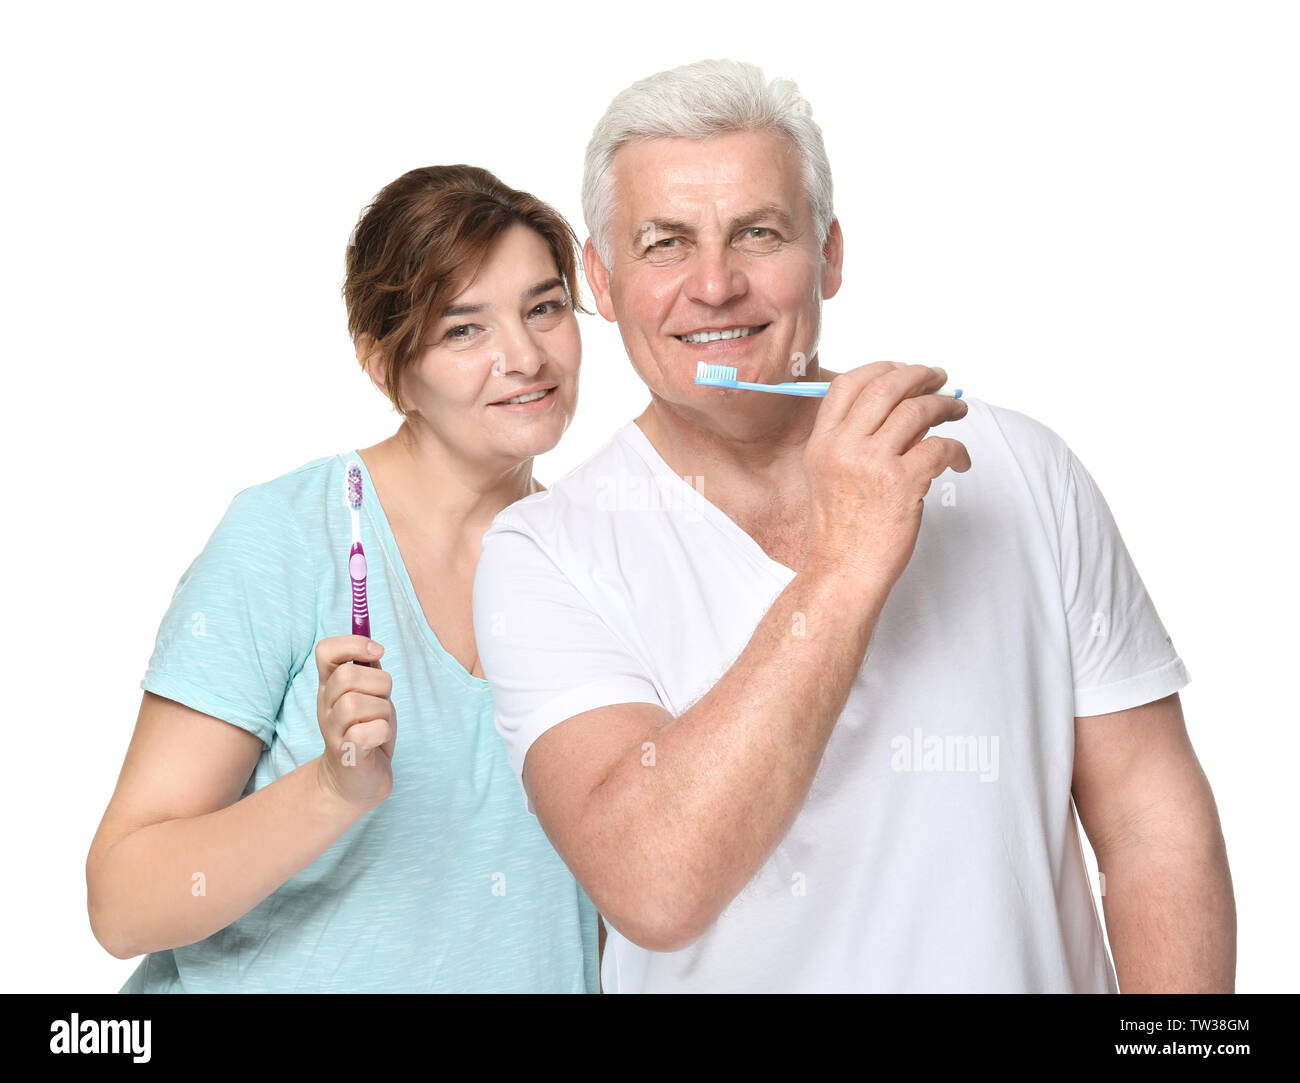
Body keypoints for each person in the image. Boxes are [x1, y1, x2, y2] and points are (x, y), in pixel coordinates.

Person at [471, 60, 1236, 993]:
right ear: (602, 275)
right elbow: (656, 883)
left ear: (829, 254)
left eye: (758, 233)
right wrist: (845, 561)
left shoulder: (1019, 467)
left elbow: (1153, 825)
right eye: (665, 244)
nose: (714, 286)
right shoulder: (543, 551)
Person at [86, 164, 601, 992]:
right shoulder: (287, 539)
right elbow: (121, 900)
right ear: (386, 366)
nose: (526, 356)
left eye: (544, 308)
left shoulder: (604, 563)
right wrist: (330, 789)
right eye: (464, 329)